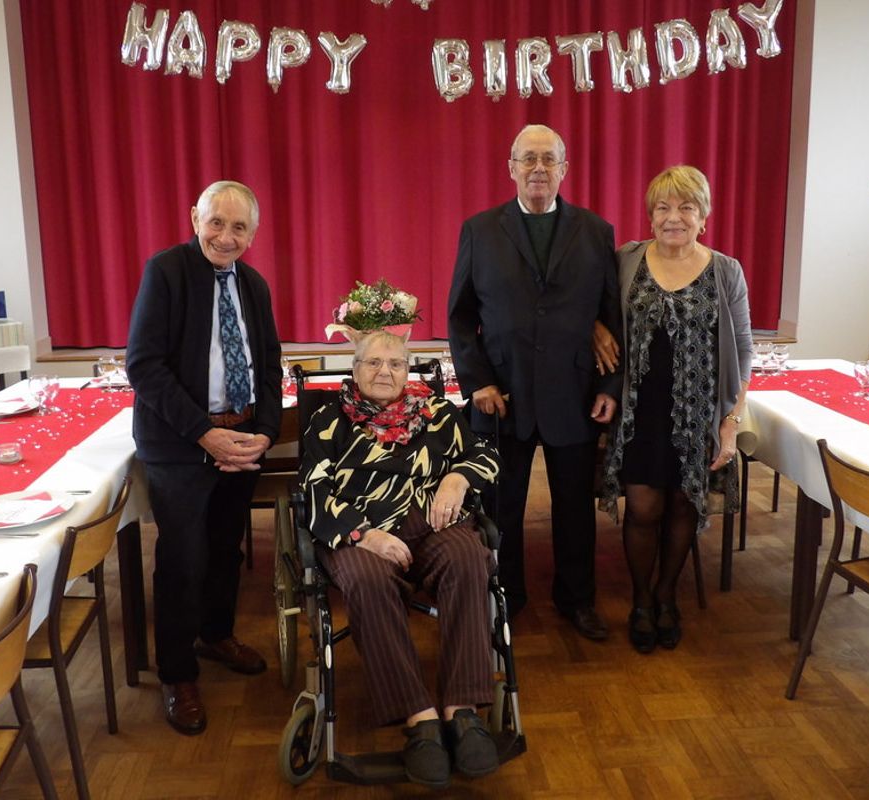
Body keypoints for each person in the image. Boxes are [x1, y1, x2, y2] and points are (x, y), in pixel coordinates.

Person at [299, 331, 503, 789]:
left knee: (470, 557)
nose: (383, 372)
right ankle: (419, 718)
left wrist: (457, 478)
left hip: (431, 527)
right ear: (354, 370)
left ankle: (462, 709)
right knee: (367, 580)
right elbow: (313, 493)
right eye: (372, 363)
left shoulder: (437, 413)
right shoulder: (328, 421)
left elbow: (485, 456)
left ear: (407, 370)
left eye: (394, 363)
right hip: (359, 536)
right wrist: (364, 535)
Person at [447, 123, 621, 640]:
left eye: (549, 159)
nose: (539, 168)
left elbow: (612, 317)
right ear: (511, 168)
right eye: (529, 159)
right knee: (503, 507)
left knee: (575, 511)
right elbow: (460, 317)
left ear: (565, 169)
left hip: (575, 394)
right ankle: (508, 597)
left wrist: (610, 388)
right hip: (503, 395)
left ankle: (577, 600)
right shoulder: (479, 230)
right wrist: (476, 380)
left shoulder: (595, 231)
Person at [125, 180, 282, 735]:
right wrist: (202, 435)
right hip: (179, 442)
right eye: (217, 222)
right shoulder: (166, 272)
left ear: (253, 234)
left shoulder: (255, 286)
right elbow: (144, 367)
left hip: (240, 438)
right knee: (183, 556)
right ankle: (176, 671)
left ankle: (216, 634)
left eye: (239, 227)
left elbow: (268, 364)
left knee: (224, 550)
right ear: (195, 218)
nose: (226, 236)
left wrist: (264, 431)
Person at [593, 165, 752, 654]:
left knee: (683, 504)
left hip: (698, 414)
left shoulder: (726, 270)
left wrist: (731, 424)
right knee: (643, 508)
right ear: (650, 215)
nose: (673, 217)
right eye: (662, 207)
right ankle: (641, 599)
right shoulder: (626, 260)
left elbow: (743, 351)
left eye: (685, 207)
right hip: (640, 413)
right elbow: (597, 311)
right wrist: (596, 330)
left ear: (703, 216)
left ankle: (667, 595)